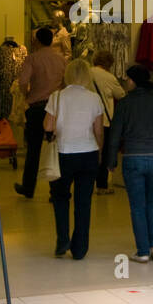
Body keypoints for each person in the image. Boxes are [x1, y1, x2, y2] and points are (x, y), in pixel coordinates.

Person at [105, 65, 153, 263]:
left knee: (137, 206)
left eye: (128, 79)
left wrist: (110, 161)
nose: (126, 82)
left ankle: (142, 251)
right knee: (152, 202)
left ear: (134, 81)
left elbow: (114, 135)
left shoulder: (125, 104)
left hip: (134, 158)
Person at [45, 58, 105, 259]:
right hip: (88, 153)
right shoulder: (94, 98)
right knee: (83, 202)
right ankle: (80, 248)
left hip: (63, 153)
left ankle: (62, 240)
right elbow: (98, 130)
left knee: (60, 199)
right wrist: (100, 151)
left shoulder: (56, 97)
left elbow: (48, 126)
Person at [13, 26, 66, 199]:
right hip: (56, 108)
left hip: (36, 108)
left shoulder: (32, 59)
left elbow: (22, 82)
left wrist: (28, 95)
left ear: (37, 41)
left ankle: (28, 187)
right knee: (55, 149)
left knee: (33, 150)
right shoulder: (61, 60)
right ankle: (56, 190)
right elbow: (65, 83)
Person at [88, 50, 125, 192]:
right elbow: (121, 95)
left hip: (87, 119)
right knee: (102, 153)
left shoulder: (87, 73)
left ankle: (88, 182)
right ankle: (102, 185)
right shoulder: (110, 77)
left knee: (89, 152)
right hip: (104, 120)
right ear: (109, 63)